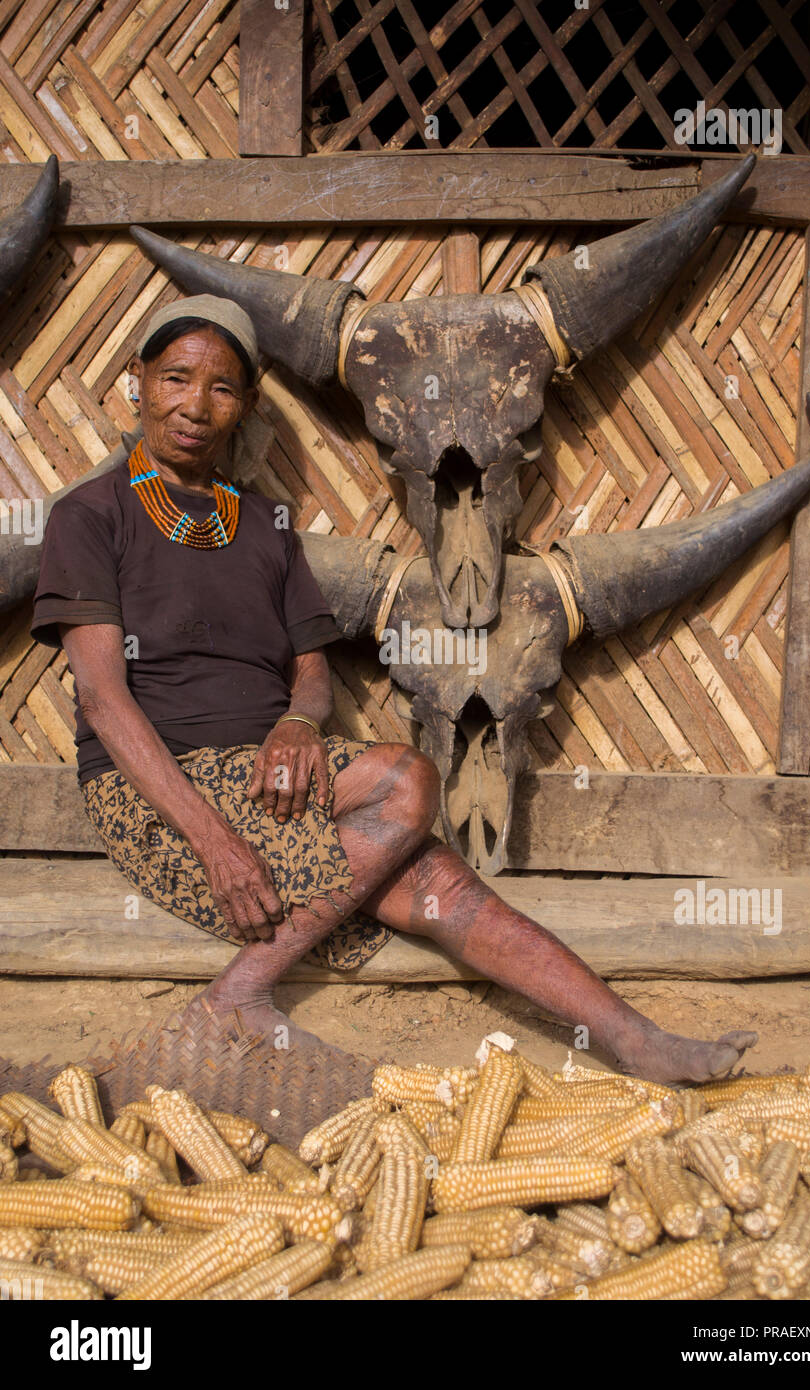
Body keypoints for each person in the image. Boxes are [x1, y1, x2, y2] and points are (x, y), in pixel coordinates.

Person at [30, 294, 757, 1084]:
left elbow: (310, 668)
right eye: (175, 379)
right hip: (160, 795)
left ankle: (635, 1041)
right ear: (137, 382)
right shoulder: (90, 517)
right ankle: (238, 996)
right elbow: (102, 699)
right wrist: (216, 845)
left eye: (223, 388)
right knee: (408, 778)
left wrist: (301, 723)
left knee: (441, 882)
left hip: (275, 777)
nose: (195, 407)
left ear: (244, 404)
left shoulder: (265, 526)